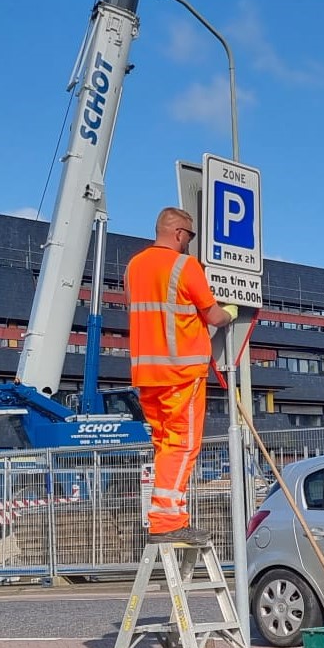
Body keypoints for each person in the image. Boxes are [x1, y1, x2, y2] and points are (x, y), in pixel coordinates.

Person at [126, 207, 237, 545]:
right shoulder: (184, 266)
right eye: (189, 236)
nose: (189, 243)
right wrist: (230, 312)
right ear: (178, 233)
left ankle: (165, 515)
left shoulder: (134, 267)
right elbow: (214, 315)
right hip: (181, 371)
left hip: (147, 374)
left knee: (165, 445)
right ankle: (167, 520)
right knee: (183, 445)